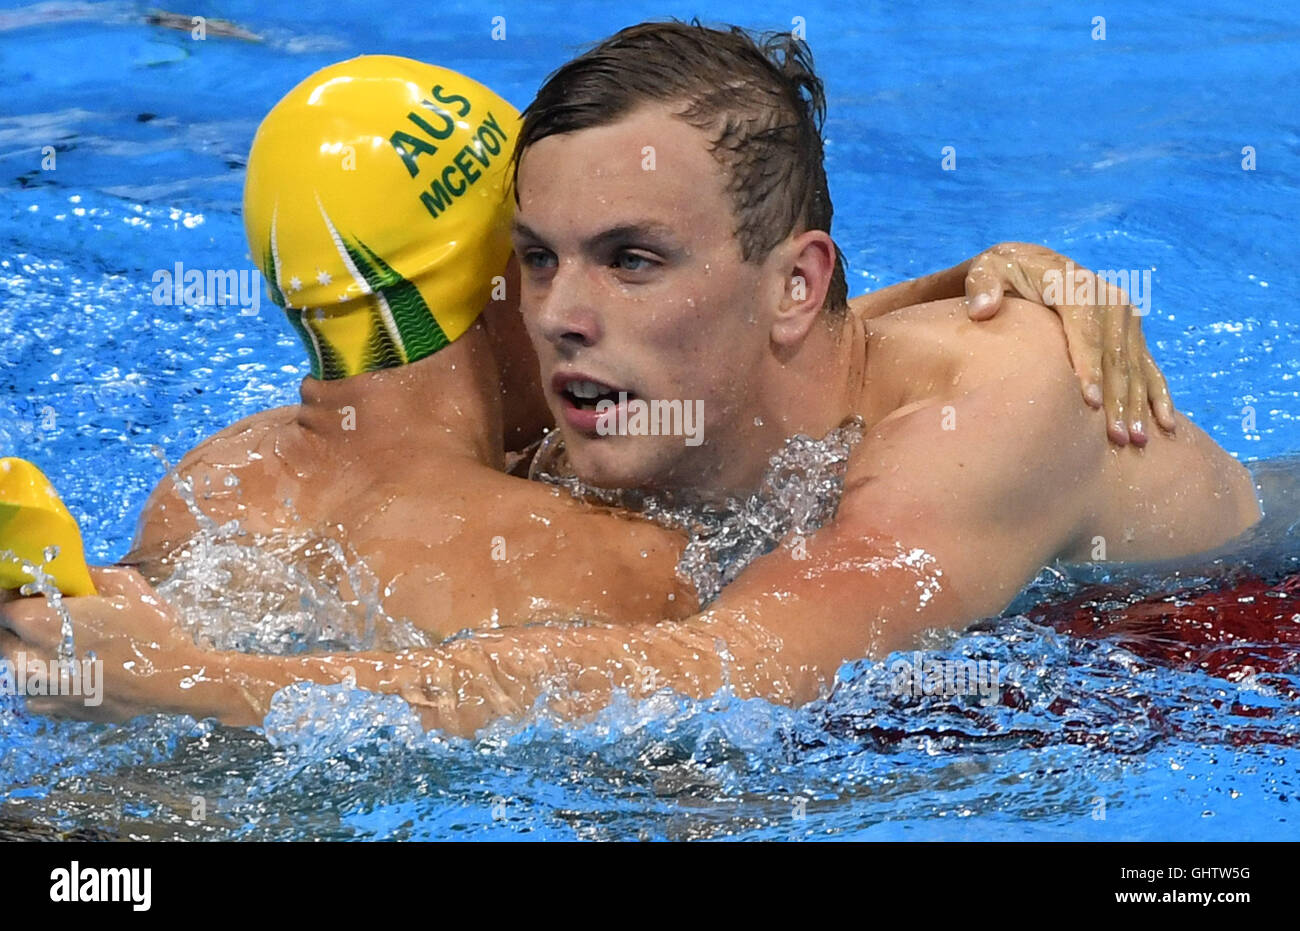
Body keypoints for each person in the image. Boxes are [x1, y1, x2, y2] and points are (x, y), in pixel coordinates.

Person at [1, 35, 1216, 735]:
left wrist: (181, 677)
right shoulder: (668, 402)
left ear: (797, 281)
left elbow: (714, 674)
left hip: (1225, 654)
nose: (563, 317)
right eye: (534, 260)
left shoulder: (987, 419)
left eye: (631, 259)